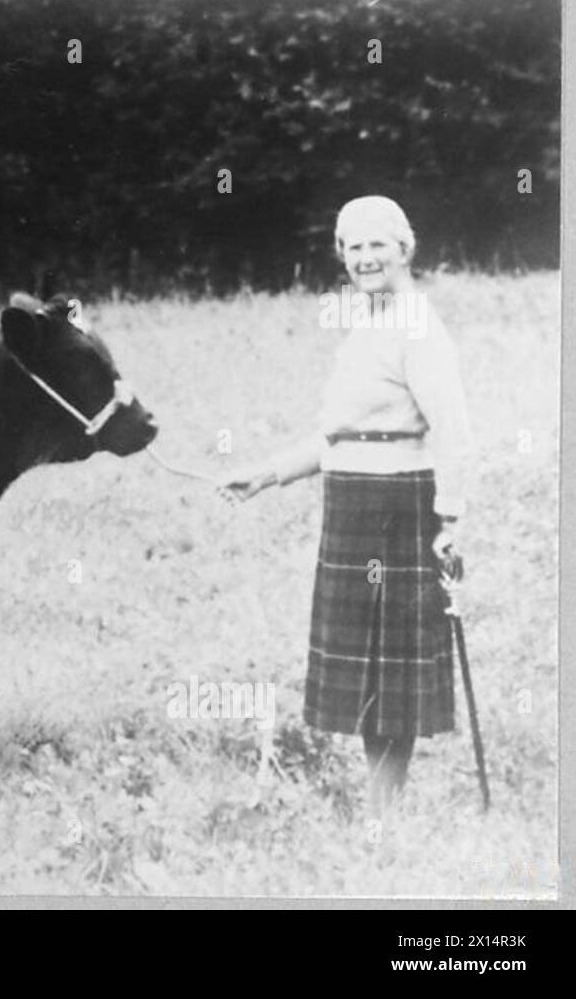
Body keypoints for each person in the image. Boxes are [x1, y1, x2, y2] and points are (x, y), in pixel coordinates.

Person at [220, 195, 472, 816]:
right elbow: (338, 435)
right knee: (367, 673)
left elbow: (456, 431)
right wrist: (267, 475)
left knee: (393, 678)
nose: (364, 258)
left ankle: (382, 817)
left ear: (405, 249)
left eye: (377, 244)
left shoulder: (417, 326)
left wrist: (451, 518)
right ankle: (376, 808)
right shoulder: (367, 324)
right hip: (352, 502)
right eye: (352, 247)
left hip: (399, 507)